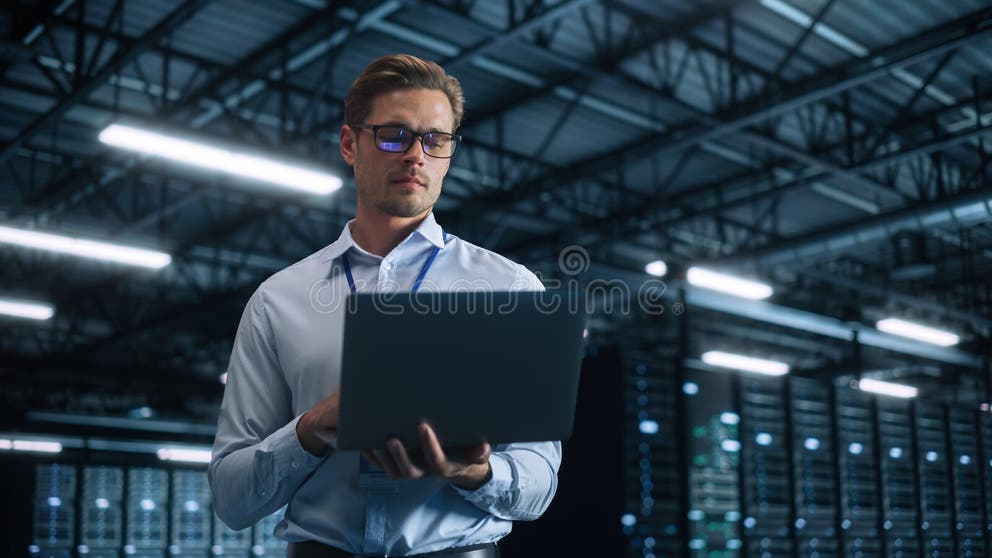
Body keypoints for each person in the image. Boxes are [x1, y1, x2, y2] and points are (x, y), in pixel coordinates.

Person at [208, 54, 560, 558]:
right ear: (351, 144)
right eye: (394, 135)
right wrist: (306, 432)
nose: (416, 155)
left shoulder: (512, 289)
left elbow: (540, 482)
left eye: (435, 140)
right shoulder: (277, 301)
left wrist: (474, 472)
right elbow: (230, 497)